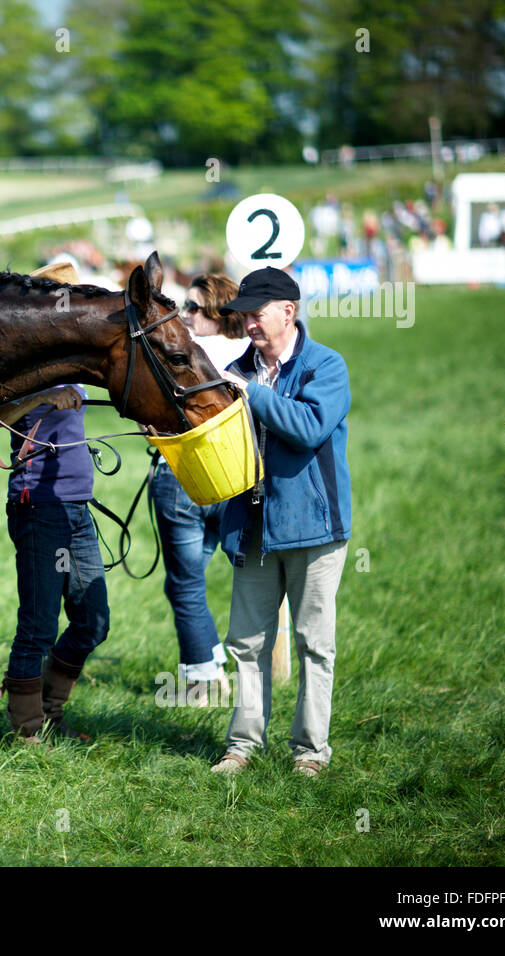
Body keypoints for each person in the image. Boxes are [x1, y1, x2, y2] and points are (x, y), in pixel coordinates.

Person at [209, 267, 351, 778]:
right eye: (243, 315)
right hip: (252, 528)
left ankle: (310, 753)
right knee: (246, 643)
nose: (247, 323)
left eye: (256, 313)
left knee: (315, 643)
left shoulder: (326, 366)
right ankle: (242, 746)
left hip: (315, 529)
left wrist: (250, 393)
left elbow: (310, 428)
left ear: (287, 311)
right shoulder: (235, 369)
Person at [0, 261, 109, 741]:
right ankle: (27, 730)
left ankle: (51, 711)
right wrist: (50, 396)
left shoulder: (71, 357)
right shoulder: (23, 359)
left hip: (77, 505)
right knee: (37, 624)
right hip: (38, 503)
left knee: (92, 621)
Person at [149, 273, 247, 702]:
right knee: (250, 579)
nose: (184, 316)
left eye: (192, 308)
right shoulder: (251, 355)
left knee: (185, 585)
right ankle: (233, 669)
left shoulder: (183, 356)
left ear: (217, 314)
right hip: (238, 476)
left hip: (183, 476)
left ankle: (204, 681)